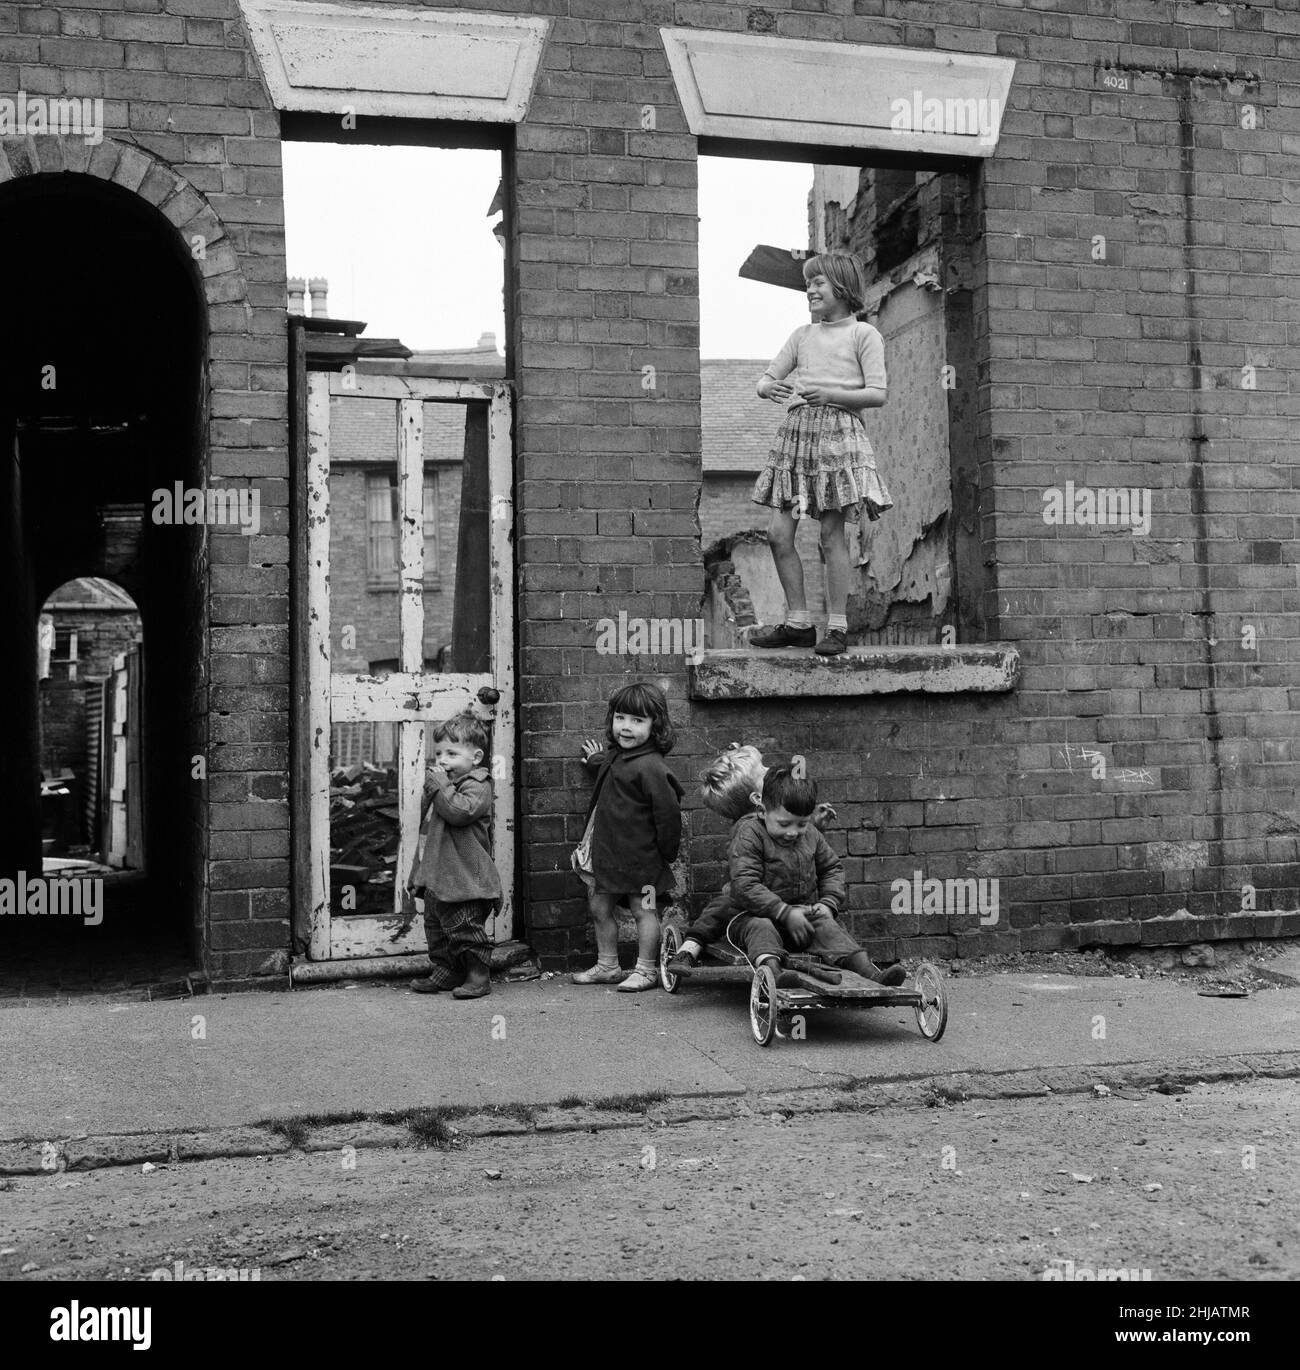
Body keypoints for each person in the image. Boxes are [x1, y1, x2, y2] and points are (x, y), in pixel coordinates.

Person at [749, 251, 892, 657]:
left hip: (838, 437)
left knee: (831, 535)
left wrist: (831, 395)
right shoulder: (802, 336)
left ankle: (837, 627)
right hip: (796, 438)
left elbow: (878, 394)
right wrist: (767, 388)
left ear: (843, 288)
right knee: (778, 533)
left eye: (818, 283)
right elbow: (767, 378)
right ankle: (798, 623)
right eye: (807, 284)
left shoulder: (864, 335)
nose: (809, 290)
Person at [667, 765, 906, 987]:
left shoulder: (810, 834)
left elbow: (831, 868)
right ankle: (774, 973)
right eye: (784, 824)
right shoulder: (750, 834)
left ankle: (871, 973)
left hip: (799, 915)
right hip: (751, 914)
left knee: (827, 926)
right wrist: (783, 912)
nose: (793, 832)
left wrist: (828, 903)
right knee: (760, 926)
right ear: (762, 811)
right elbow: (745, 884)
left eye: (801, 824)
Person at [572, 681, 683, 993]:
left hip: (641, 859)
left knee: (643, 911)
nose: (626, 727)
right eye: (620, 718)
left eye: (638, 721)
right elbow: (612, 772)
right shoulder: (617, 756)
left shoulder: (652, 767)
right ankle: (608, 966)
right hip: (607, 855)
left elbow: (669, 815)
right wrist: (595, 761)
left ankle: (646, 970)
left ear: (655, 725)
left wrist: (665, 854)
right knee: (598, 907)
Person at [406, 713, 502, 999]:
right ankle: (446, 971)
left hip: (466, 877)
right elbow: (429, 824)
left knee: (464, 928)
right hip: (439, 873)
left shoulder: (479, 784)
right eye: (439, 753)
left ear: (476, 756)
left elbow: (459, 812)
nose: (443, 759)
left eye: (452, 753)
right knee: (436, 928)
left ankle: (478, 975)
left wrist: (438, 785)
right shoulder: (446, 786)